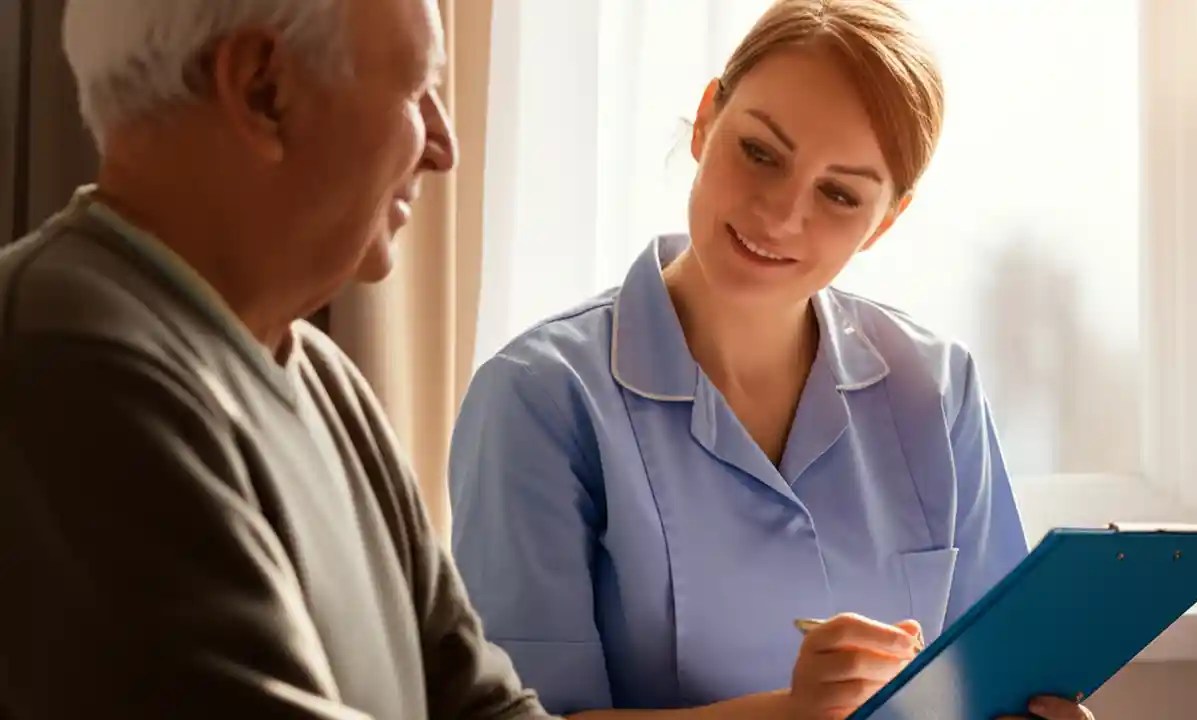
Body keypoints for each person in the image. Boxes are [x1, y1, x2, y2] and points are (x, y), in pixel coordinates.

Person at [449, 1, 1094, 719]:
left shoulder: (941, 390)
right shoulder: (540, 398)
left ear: (886, 220)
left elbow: (988, 687)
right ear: (705, 121)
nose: (782, 214)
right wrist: (789, 715)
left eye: (840, 194)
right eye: (760, 152)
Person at [0, 1, 555, 718]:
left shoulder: (326, 380)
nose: (442, 146)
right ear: (264, 91)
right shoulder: (68, 364)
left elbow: (484, 706)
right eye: (418, 90)